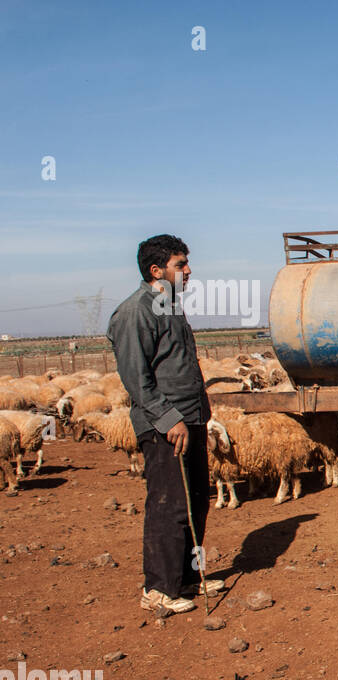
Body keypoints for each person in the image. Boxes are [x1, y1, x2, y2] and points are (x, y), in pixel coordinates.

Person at [106, 235, 221, 615]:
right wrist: (170, 419)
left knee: (196, 500)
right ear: (157, 271)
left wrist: (199, 415)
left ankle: (187, 576)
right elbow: (137, 379)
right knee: (168, 503)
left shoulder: (169, 306)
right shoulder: (135, 312)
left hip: (191, 419)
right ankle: (158, 588)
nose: (188, 271)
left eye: (186, 263)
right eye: (180, 264)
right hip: (164, 426)